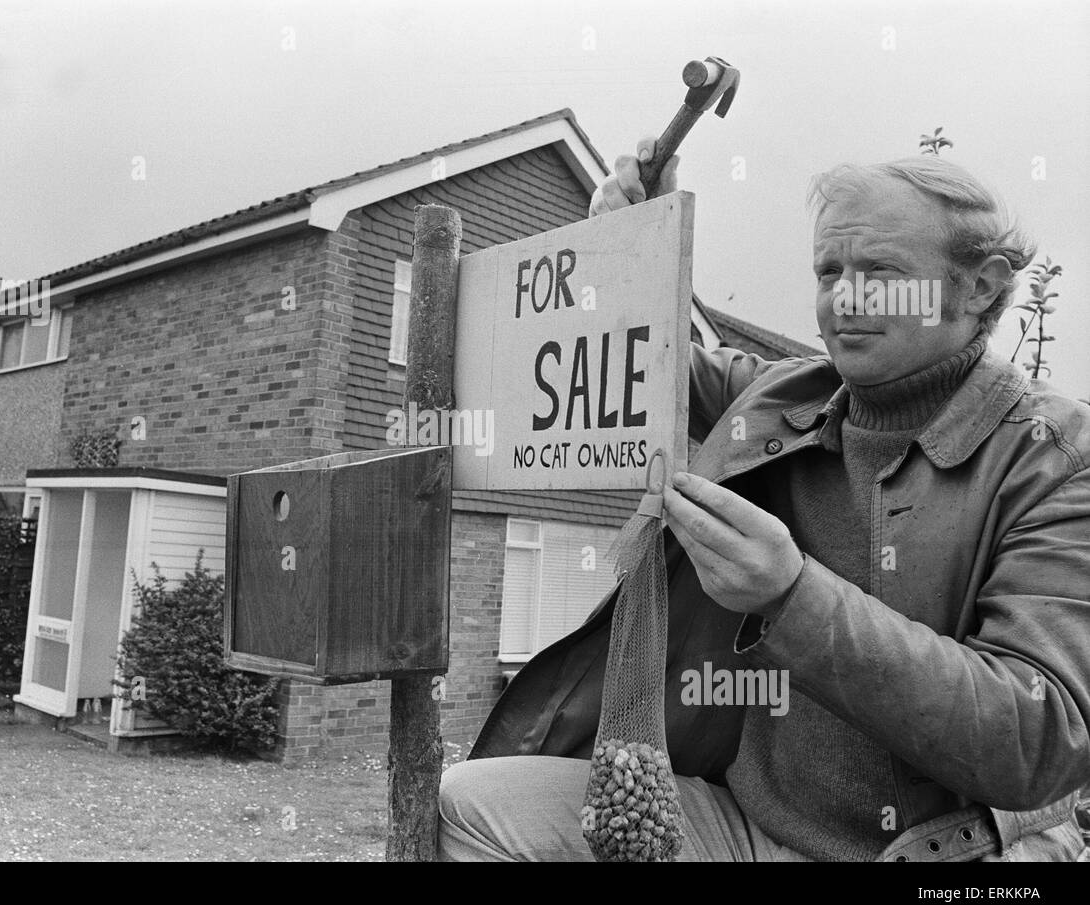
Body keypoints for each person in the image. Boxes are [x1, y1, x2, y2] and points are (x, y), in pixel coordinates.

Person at [437, 141, 1090, 861]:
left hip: (938, 852)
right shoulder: (784, 395)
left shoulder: (1056, 459)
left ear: (978, 287)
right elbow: (645, 359)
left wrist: (792, 595)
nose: (845, 300)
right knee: (469, 805)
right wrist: (620, 248)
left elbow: (1040, 736)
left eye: (879, 272)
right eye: (829, 271)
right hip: (745, 829)